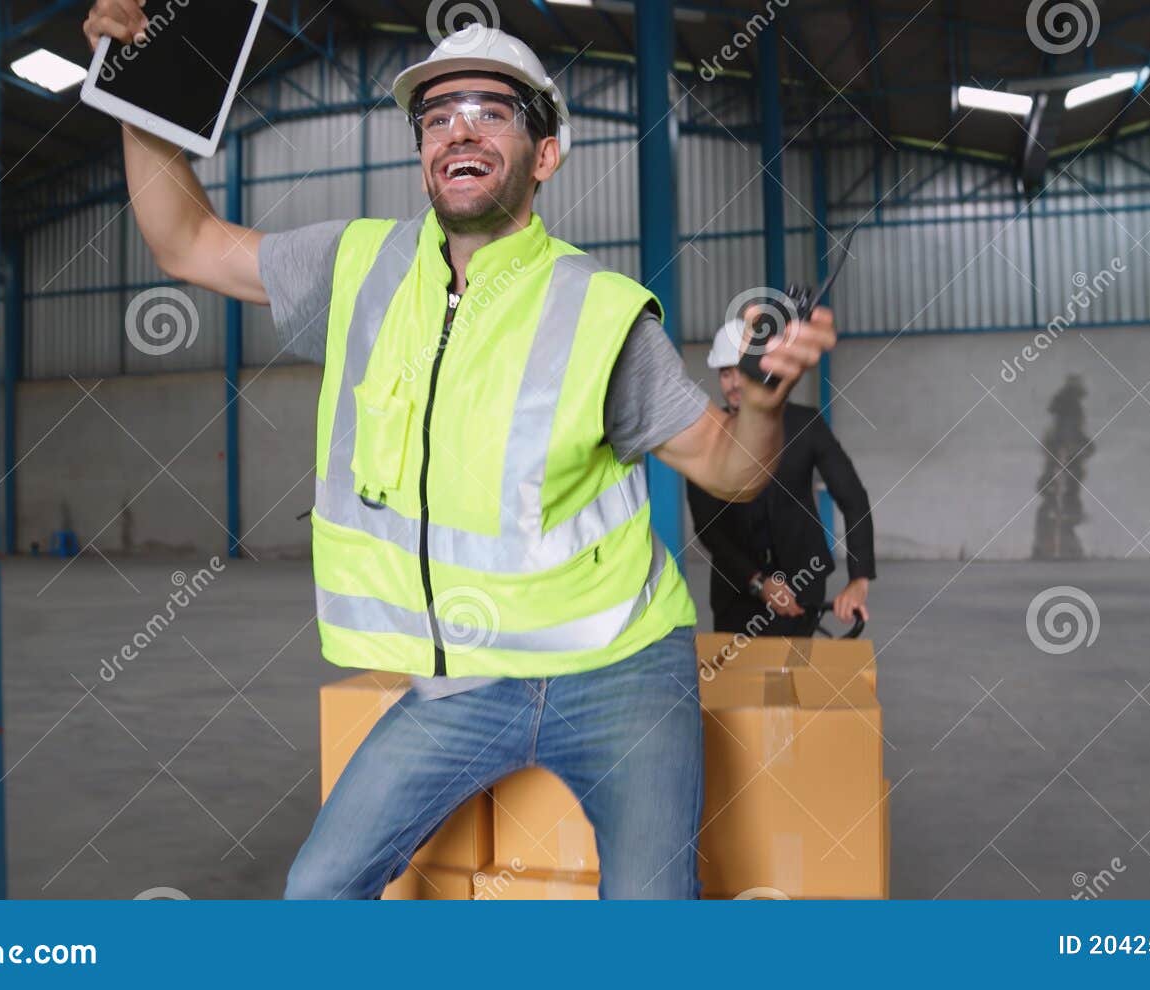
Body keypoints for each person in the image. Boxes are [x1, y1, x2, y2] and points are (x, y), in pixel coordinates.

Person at [83, 6, 839, 899]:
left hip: (620, 674)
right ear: (422, 152)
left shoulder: (599, 311)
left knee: (650, 921)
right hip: (466, 680)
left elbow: (733, 470)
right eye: (437, 116)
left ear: (543, 154)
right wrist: (135, 87)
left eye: (490, 111)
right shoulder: (359, 265)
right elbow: (188, 243)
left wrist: (759, 404)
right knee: (316, 893)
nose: (459, 130)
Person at [687, 318, 874, 636]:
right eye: (725, 373)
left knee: (793, 682)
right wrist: (758, 582)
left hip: (804, 582)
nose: (734, 384)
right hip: (738, 594)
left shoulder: (806, 425)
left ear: (763, 370)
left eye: (741, 371)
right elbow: (709, 528)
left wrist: (859, 579)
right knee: (739, 684)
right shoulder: (708, 439)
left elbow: (853, 498)